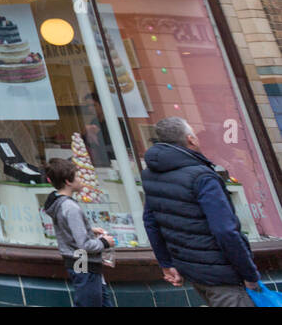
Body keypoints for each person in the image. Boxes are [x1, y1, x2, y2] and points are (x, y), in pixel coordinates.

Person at [141, 116, 262, 307]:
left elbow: (150, 221)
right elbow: (225, 231)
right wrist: (249, 274)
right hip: (224, 276)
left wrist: (166, 263)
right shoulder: (202, 176)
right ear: (191, 139)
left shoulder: (151, 174)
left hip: (192, 270)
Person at [43, 157, 115, 306]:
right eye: (77, 176)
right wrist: (104, 242)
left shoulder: (60, 203)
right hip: (84, 263)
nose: (81, 179)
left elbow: (68, 229)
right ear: (68, 182)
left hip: (80, 263)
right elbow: (84, 244)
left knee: (101, 301)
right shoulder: (71, 208)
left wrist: (89, 229)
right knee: (89, 302)